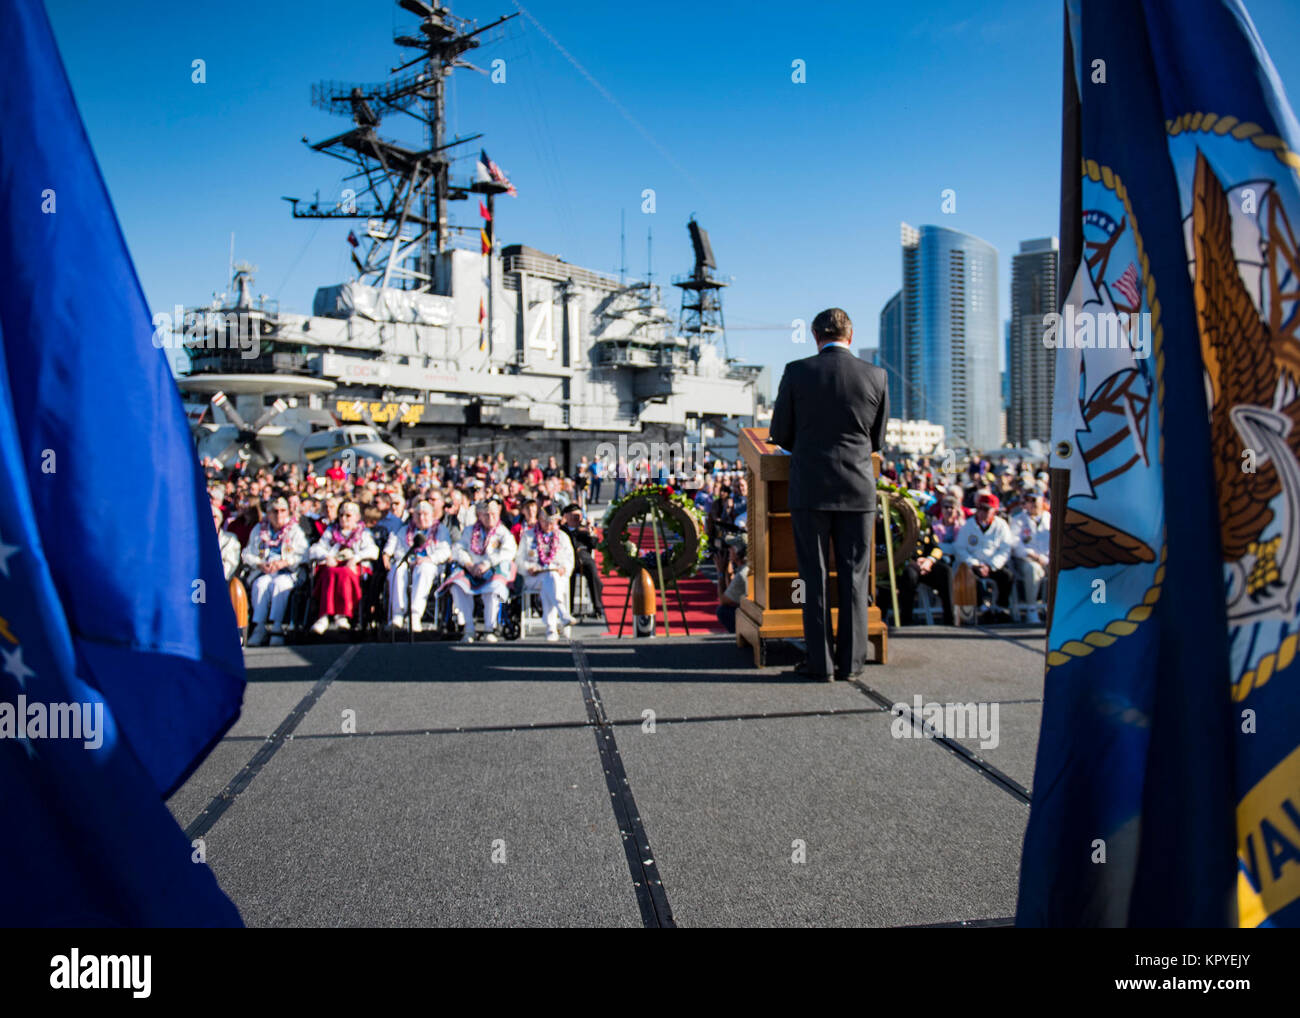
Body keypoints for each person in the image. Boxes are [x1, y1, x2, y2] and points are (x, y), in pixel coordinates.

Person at [768, 307, 888, 681]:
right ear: (850, 337)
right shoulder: (876, 375)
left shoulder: (797, 371)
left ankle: (819, 664)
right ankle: (851, 663)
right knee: (854, 576)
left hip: (811, 489)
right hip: (857, 489)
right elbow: (877, 440)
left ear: (816, 336)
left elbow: (781, 432)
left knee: (812, 576)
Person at [441, 498, 517, 643]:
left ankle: (490, 628)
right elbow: (459, 548)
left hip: (492, 571)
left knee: (494, 589)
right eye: (487, 514)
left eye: (494, 514)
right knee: (457, 586)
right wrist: (469, 564)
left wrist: (487, 564)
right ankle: (468, 628)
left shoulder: (503, 532)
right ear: (480, 515)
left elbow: (508, 552)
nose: (491, 518)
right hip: (471, 569)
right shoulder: (470, 530)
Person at [243, 497, 309, 647]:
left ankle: (276, 627)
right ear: (268, 513)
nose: (279, 515)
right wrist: (259, 564)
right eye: (275, 511)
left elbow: (304, 553)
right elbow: (247, 554)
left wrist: (285, 562)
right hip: (264, 570)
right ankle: (259, 627)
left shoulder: (294, 530)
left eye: (282, 511)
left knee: (280, 584)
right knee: (260, 585)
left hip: (287, 572)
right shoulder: (259, 529)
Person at [308, 500, 379, 634]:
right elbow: (314, 549)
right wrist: (327, 556)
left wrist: (356, 558)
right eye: (341, 515)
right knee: (329, 573)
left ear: (356, 517)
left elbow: (373, 551)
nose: (344, 519)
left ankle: (342, 615)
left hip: (353, 567)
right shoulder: (331, 531)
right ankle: (324, 615)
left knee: (345, 573)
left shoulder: (363, 533)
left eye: (348, 516)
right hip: (333, 565)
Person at [384, 498, 451, 632]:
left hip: (430, 564)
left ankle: (415, 615)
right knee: (397, 569)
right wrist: (408, 560)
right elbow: (395, 549)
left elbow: (445, 551)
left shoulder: (440, 530)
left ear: (432, 515)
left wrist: (428, 558)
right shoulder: (405, 530)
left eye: (425, 514)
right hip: (409, 562)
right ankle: (398, 614)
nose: (421, 517)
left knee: (424, 569)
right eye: (418, 514)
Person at [954, 491, 1016, 621]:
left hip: (992, 565)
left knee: (1007, 576)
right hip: (974, 566)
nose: (983, 512)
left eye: (986, 509)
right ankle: (983, 608)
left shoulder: (1001, 526)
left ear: (994, 511)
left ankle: (1001, 607)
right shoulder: (968, 525)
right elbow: (960, 548)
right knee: (971, 578)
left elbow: (1005, 549)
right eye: (980, 508)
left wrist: (991, 565)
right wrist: (975, 564)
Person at [518, 504, 575, 641]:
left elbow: (569, 559)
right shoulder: (528, 536)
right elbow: (519, 560)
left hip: (557, 576)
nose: (548, 525)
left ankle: (551, 628)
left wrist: (564, 569)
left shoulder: (562, 537)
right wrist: (528, 567)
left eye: (552, 522)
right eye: (545, 521)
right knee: (549, 579)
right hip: (534, 577)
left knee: (550, 579)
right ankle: (562, 613)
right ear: (539, 519)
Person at [1010, 489, 1051, 611]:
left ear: (1042, 500)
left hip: (1048, 558)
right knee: (1033, 570)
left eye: (1034, 500)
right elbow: (1015, 542)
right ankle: (1031, 608)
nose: (1031, 504)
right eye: (1028, 500)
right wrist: (1032, 555)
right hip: (1027, 559)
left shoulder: (1050, 519)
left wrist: (1047, 557)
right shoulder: (1018, 519)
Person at [561, 505, 604, 619]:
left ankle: (597, 607)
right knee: (569, 576)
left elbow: (594, 544)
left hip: (584, 557)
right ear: (567, 516)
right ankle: (568, 609)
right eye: (574, 516)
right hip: (569, 558)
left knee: (593, 573)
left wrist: (590, 530)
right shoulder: (562, 529)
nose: (577, 519)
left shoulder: (584, 529)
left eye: (579, 516)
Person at [716, 540, 749, 633]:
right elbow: (731, 589)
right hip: (753, 610)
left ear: (739, 553)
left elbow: (723, 600)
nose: (729, 550)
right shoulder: (747, 567)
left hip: (751, 615)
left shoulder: (742, 574)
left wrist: (721, 573)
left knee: (722, 611)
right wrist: (727, 572)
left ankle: (740, 634)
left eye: (732, 548)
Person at [214, 504, 241, 583]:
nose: (211, 519)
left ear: (220, 519)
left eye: (214, 516)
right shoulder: (198, 538)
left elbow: (231, 564)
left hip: (221, 580)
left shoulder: (230, 539)